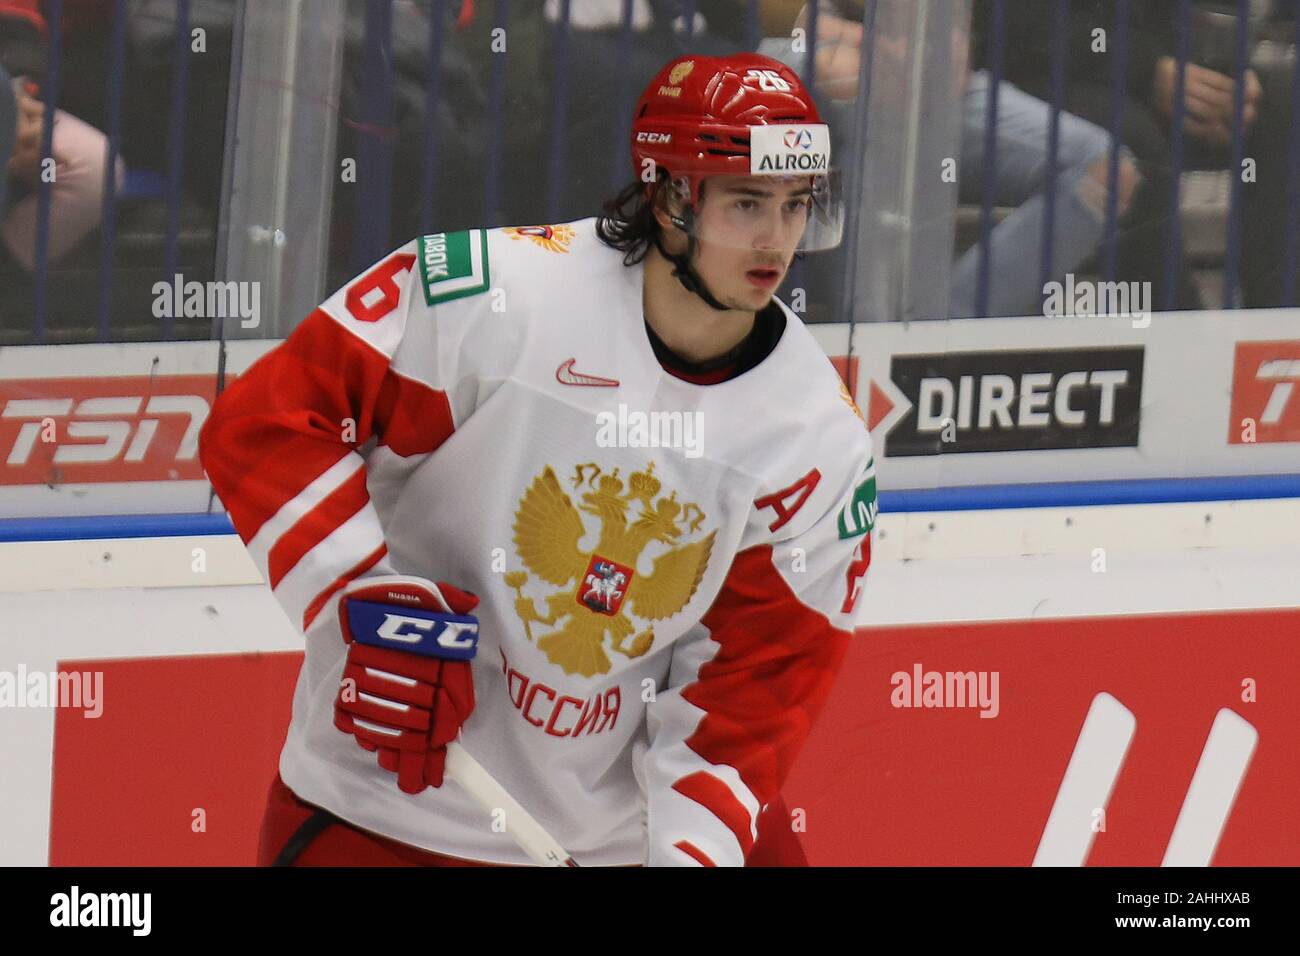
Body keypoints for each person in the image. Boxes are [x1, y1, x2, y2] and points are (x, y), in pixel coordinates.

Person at [199, 51, 876, 867]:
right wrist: (363, 601)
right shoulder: (493, 297)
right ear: (669, 197)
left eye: (797, 204)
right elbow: (267, 422)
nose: (777, 239)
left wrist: (687, 853)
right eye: (747, 203)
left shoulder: (816, 437)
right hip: (388, 805)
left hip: (621, 839)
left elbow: (754, 697)